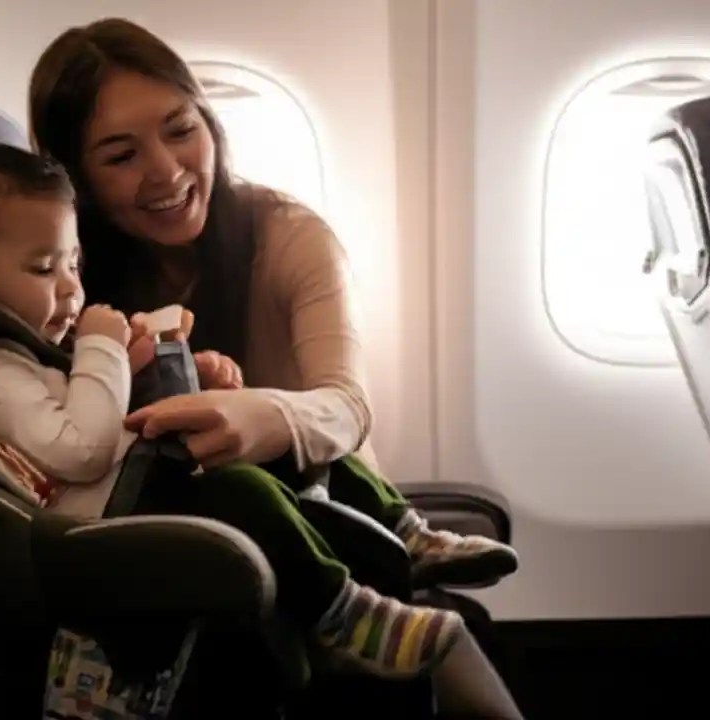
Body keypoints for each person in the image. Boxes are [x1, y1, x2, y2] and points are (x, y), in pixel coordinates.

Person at [0, 142, 465, 680]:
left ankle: (404, 529)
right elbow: (81, 450)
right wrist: (100, 351)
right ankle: (347, 618)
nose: (70, 288)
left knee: (276, 432)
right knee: (244, 492)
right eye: (43, 268)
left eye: (73, 264)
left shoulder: (23, 349)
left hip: (133, 483)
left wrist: (167, 372)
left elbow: (90, 411)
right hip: (108, 518)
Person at [26, 16, 518, 590]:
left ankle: (404, 545)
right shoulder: (63, 283)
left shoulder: (289, 235)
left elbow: (349, 405)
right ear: (76, 178)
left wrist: (270, 418)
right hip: (178, 539)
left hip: (329, 513)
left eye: (181, 130)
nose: (166, 171)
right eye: (120, 156)